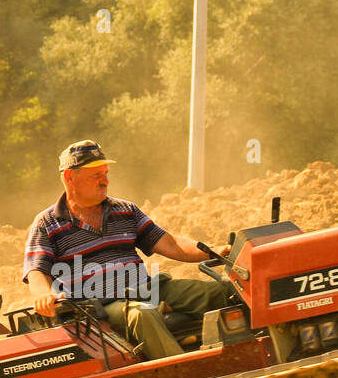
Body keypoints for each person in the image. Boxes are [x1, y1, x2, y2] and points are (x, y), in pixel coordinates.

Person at [22, 139, 231, 359]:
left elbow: (171, 244)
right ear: (69, 177)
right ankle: (187, 377)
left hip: (146, 288)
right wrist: (43, 296)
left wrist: (214, 251)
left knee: (220, 292)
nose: (105, 181)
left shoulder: (125, 210)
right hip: (99, 306)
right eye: (96, 175)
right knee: (143, 314)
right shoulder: (47, 223)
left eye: (106, 173)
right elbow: (36, 270)